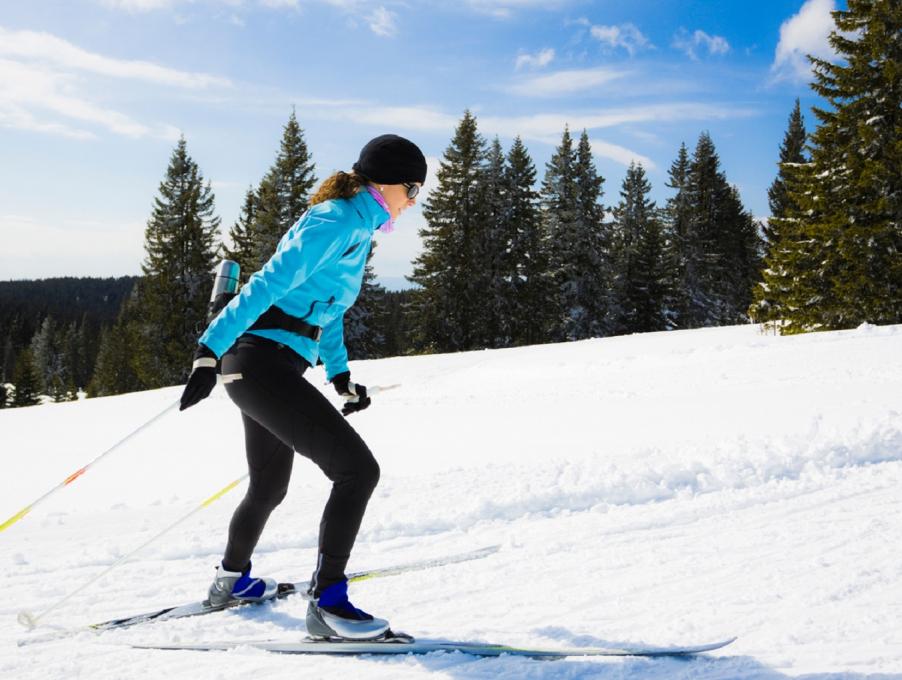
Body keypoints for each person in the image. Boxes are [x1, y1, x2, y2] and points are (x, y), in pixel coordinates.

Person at [179, 134, 427, 640]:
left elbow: (327, 314)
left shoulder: (357, 228)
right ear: (388, 183)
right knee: (357, 471)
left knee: (269, 486)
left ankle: (231, 581)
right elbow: (268, 282)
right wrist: (209, 348)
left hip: (268, 366)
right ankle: (329, 605)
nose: (413, 202)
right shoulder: (336, 220)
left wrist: (340, 376)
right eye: (413, 190)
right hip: (258, 362)